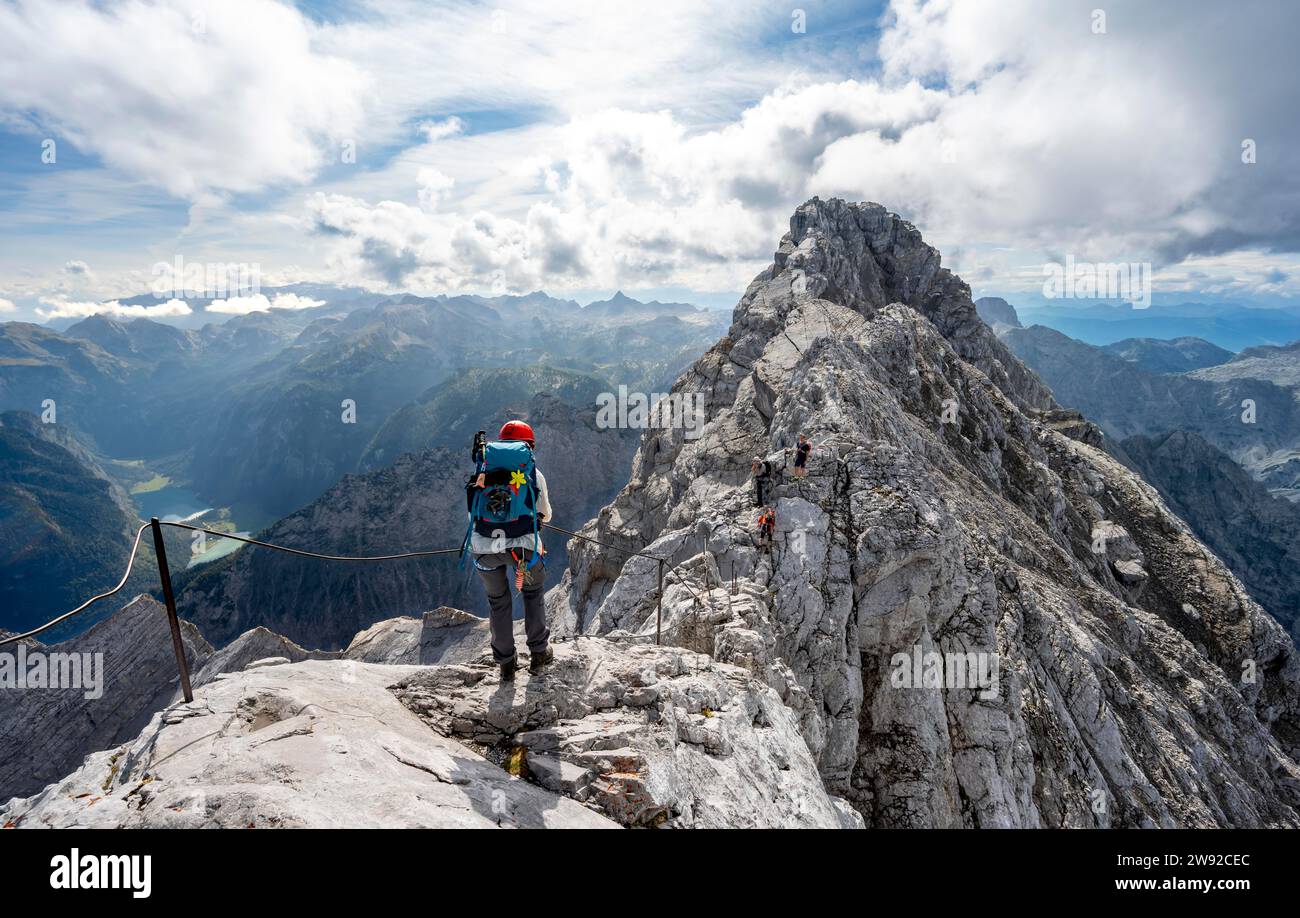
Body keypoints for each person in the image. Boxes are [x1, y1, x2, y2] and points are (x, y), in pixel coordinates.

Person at [466, 420, 553, 681]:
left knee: (498, 602)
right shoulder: (533, 474)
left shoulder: (483, 470)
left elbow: (472, 513)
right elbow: (546, 514)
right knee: (532, 593)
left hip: (485, 548)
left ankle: (506, 663)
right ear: (528, 446)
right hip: (524, 548)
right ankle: (538, 654)